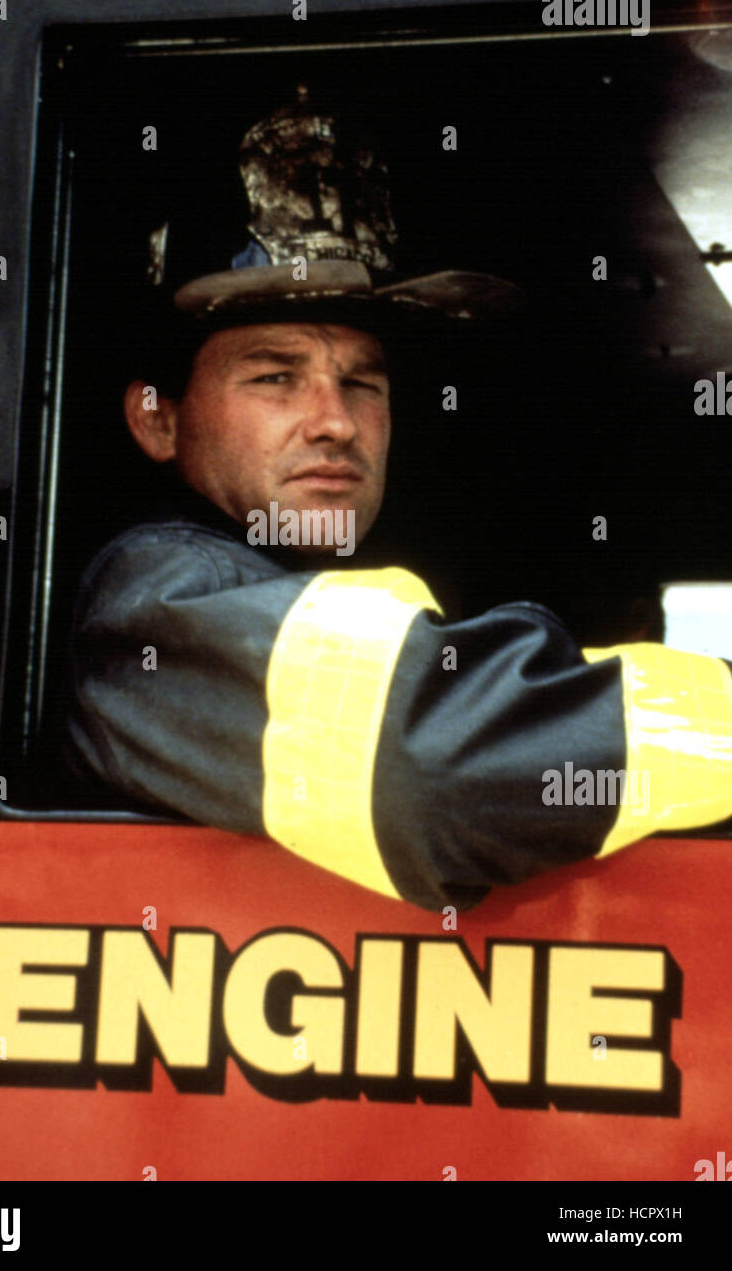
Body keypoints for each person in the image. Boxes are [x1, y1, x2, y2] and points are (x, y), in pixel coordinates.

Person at [64, 91, 732, 912]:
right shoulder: (160, 593)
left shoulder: (277, 587)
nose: (335, 422)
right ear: (157, 419)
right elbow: (437, 763)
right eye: (275, 378)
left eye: (361, 383)